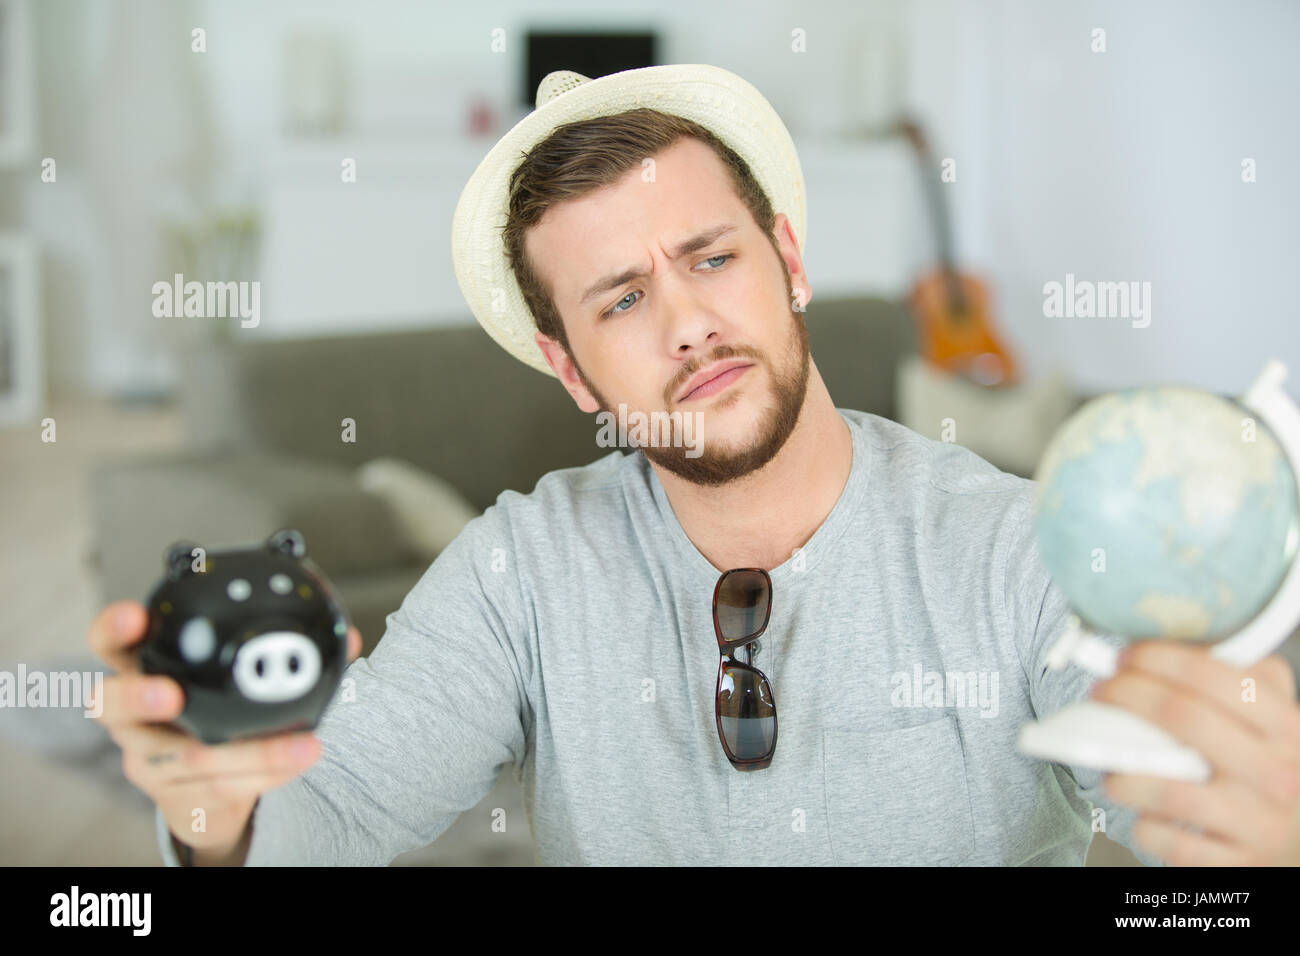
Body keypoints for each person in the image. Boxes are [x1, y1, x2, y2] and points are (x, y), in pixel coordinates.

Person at [88, 64, 1300, 866]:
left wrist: (1256, 827)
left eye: (710, 258)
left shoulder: (1016, 549)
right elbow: (331, 816)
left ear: (787, 259)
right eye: (620, 298)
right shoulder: (521, 566)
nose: (685, 322)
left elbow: (1179, 830)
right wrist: (214, 806)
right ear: (570, 371)